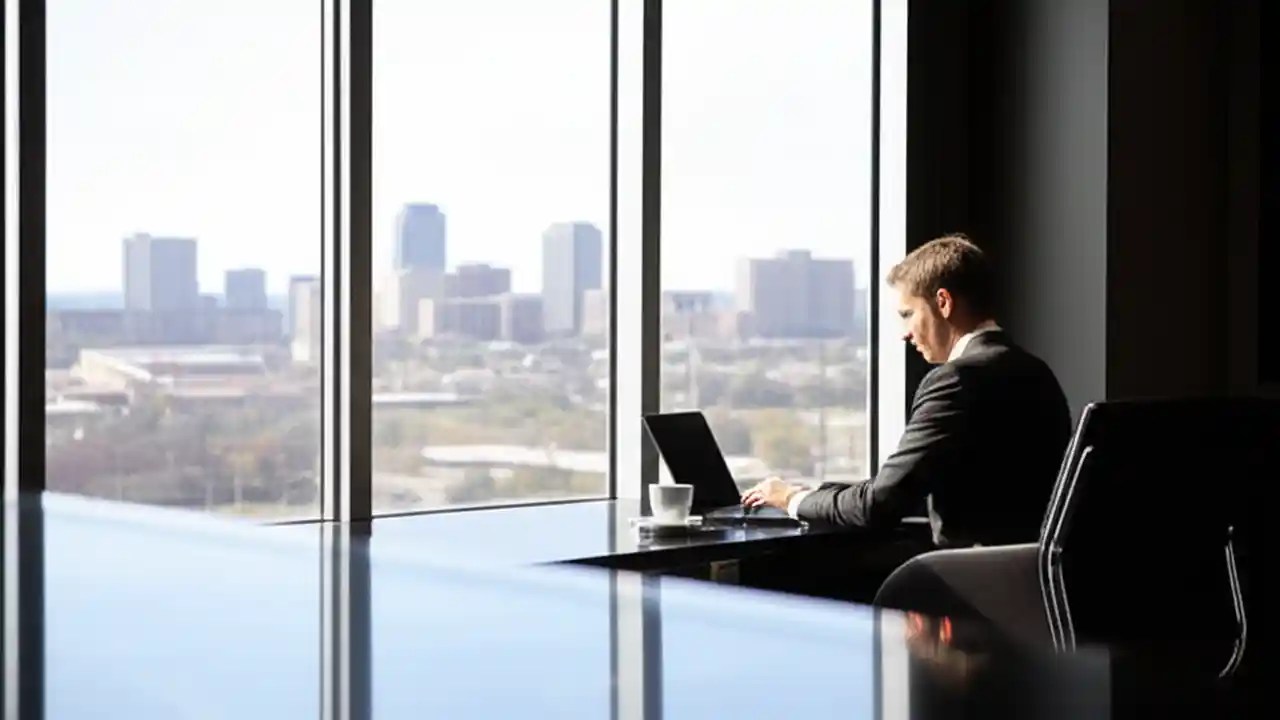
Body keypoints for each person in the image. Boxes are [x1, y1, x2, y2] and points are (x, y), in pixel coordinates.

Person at [741, 234, 1071, 547]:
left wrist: (789, 498)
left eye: (908, 314)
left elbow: (877, 506)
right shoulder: (1038, 372)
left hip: (971, 581)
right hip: (1032, 577)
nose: (905, 334)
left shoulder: (955, 380)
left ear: (943, 302)